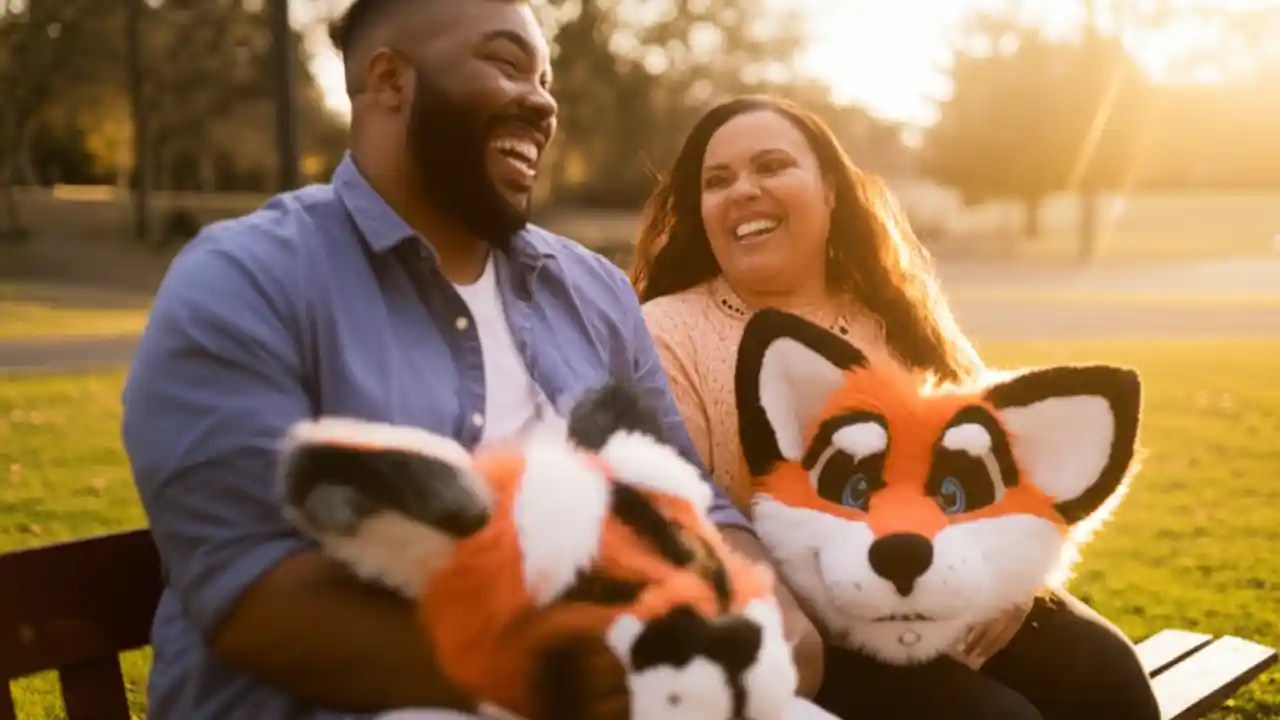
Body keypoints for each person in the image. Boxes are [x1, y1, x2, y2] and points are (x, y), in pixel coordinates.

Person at [119, 4, 821, 718]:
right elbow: (257, 596)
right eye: (506, 65)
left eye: (546, 79)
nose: (543, 102)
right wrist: (567, 681)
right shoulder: (246, 280)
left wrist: (768, 602)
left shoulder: (593, 293)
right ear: (390, 79)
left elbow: (691, 502)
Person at [631, 94, 1161, 719]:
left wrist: (1006, 584)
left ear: (830, 190)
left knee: (1105, 674)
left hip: (945, 583)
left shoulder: (889, 311)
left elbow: (992, 459)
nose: (743, 189)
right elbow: (676, 522)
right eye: (716, 180)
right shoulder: (667, 332)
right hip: (804, 628)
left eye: (771, 165)